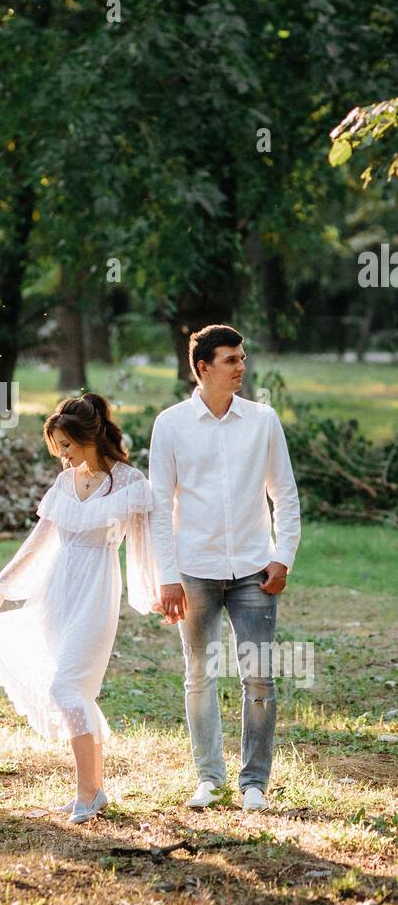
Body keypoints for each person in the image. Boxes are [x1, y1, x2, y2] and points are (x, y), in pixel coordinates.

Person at [0, 392, 161, 825]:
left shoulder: (130, 483)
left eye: (67, 444)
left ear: (88, 437)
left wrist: (158, 589)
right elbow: (40, 539)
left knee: (67, 688)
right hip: (56, 590)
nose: (62, 454)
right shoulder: (65, 483)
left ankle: (86, 793)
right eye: (58, 446)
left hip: (97, 590)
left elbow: (146, 544)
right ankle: (93, 790)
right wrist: (2, 583)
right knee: (74, 691)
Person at [148, 325, 301, 813]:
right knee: (198, 674)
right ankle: (209, 778)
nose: (241, 366)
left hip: (256, 570)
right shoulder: (170, 425)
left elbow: (286, 496)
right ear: (203, 367)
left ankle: (254, 782)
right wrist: (167, 576)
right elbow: (158, 507)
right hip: (194, 571)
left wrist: (284, 556)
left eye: (243, 358)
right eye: (231, 359)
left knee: (258, 677)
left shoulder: (263, 420)